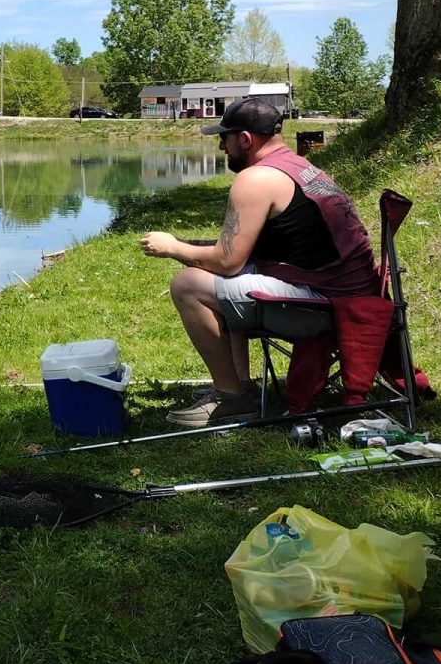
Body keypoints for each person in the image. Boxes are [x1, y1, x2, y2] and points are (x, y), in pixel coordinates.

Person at [140, 97, 379, 426]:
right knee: (217, 278)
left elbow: (227, 262)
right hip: (353, 297)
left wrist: (173, 246)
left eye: (224, 138)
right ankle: (241, 385)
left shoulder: (256, 179)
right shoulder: (300, 167)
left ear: (245, 139)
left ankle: (232, 397)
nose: (222, 146)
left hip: (332, 309)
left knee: (188, 285)